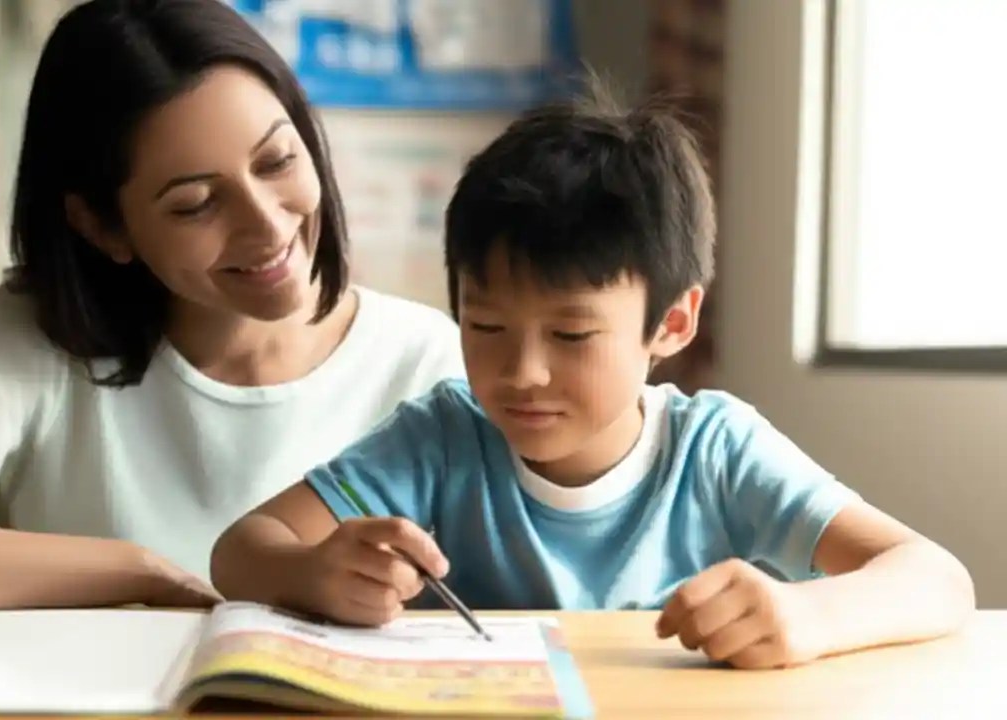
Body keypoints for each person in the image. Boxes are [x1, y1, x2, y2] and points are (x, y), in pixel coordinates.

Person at [211, 86, 976, 670]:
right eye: (485, 327)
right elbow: (243, 548)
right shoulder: (442, 437)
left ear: (672, 325)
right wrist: (309, 570)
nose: (522, 372)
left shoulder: (715, 451)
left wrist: (813, 617)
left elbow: (937, 577)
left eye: (572, 334)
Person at [0, 0, 463, 622]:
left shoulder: (429, 360)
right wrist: (136, 571)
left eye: (277, 162)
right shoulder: (32, 339)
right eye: (196, 203)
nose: (267, 225)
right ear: (102, 227)